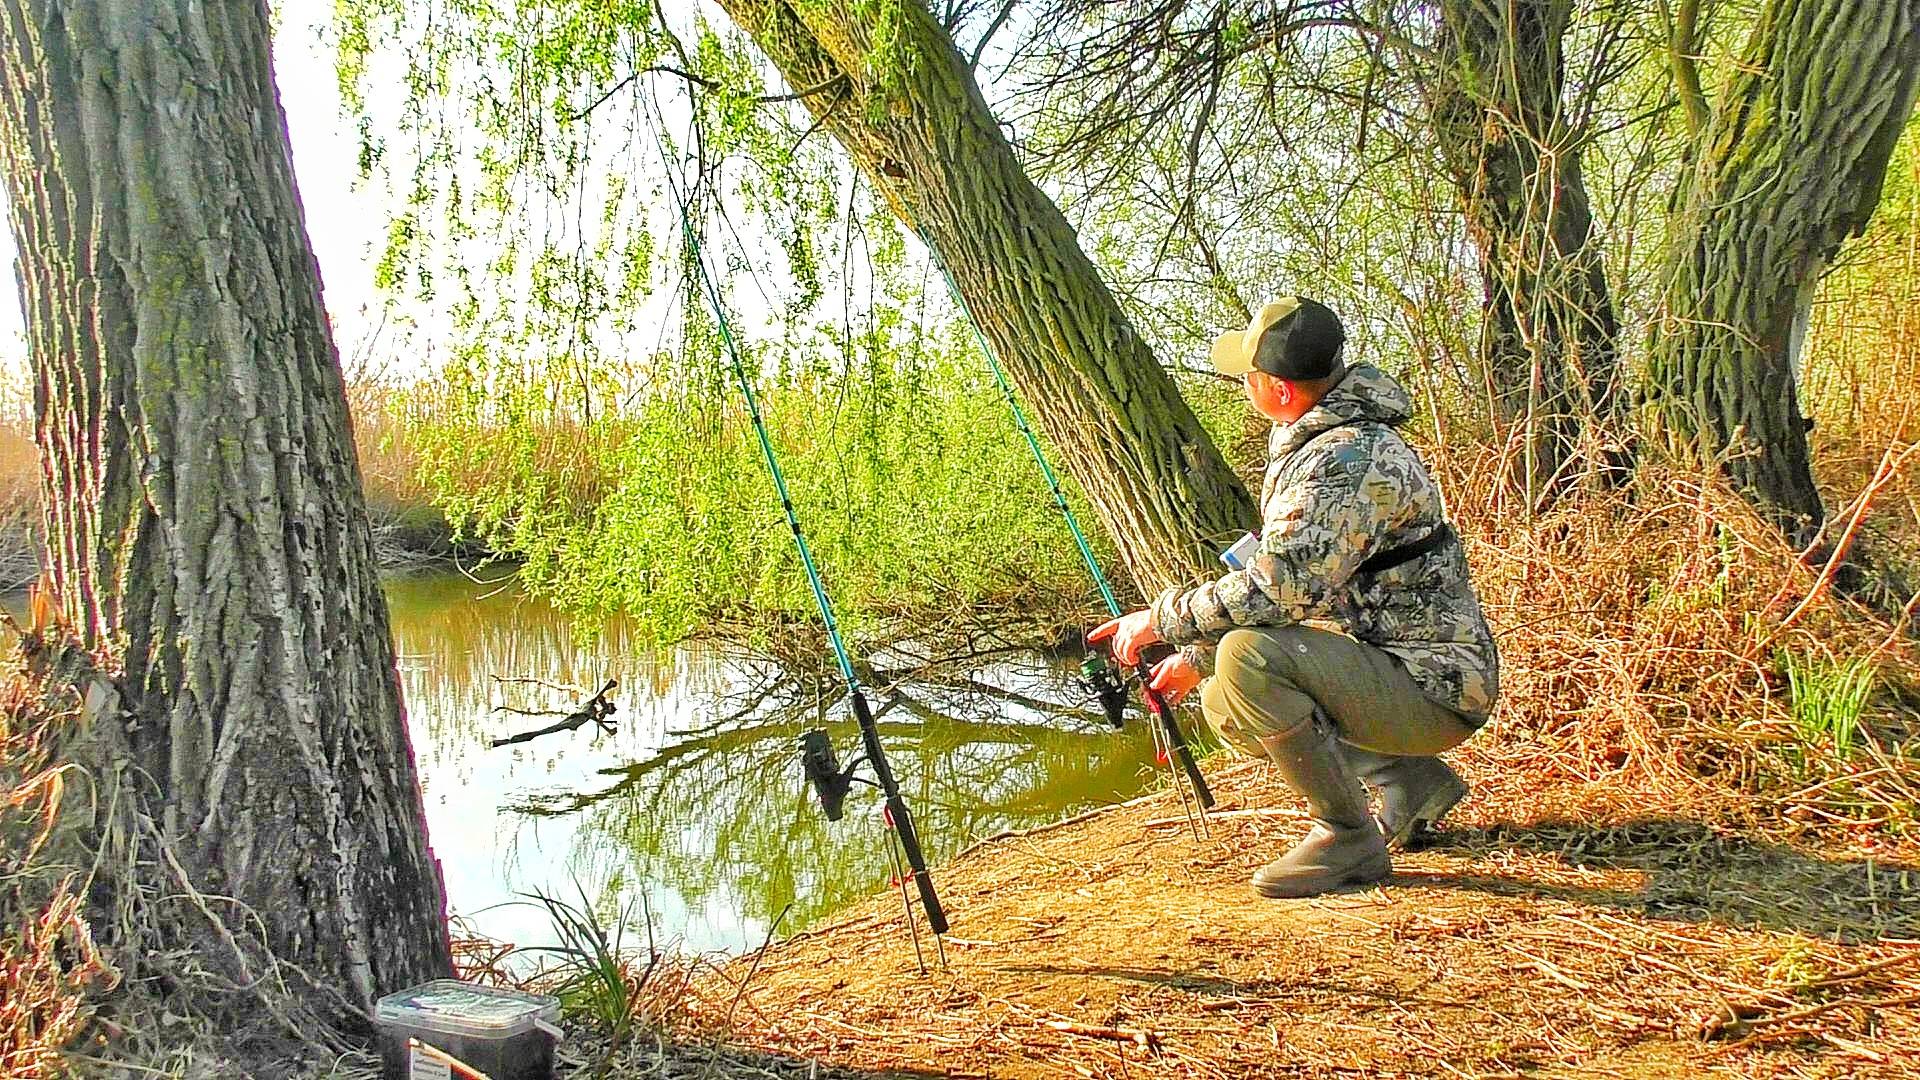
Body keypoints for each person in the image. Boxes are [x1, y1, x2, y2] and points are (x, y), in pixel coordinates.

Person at [1092, 297, 1499, 899]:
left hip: (1436, 688)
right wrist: (1196, 658)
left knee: (1249, 660)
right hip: (1401, 670)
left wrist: (1160, 622)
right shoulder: (1323, 439)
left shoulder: (1345, 460)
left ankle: (1349, 838)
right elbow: (1310, 585)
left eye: (1249, 377)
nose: (1242, 386)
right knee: (1227, 701)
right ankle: (1411, 782)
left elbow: (1279, 591)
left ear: (1280, 391)